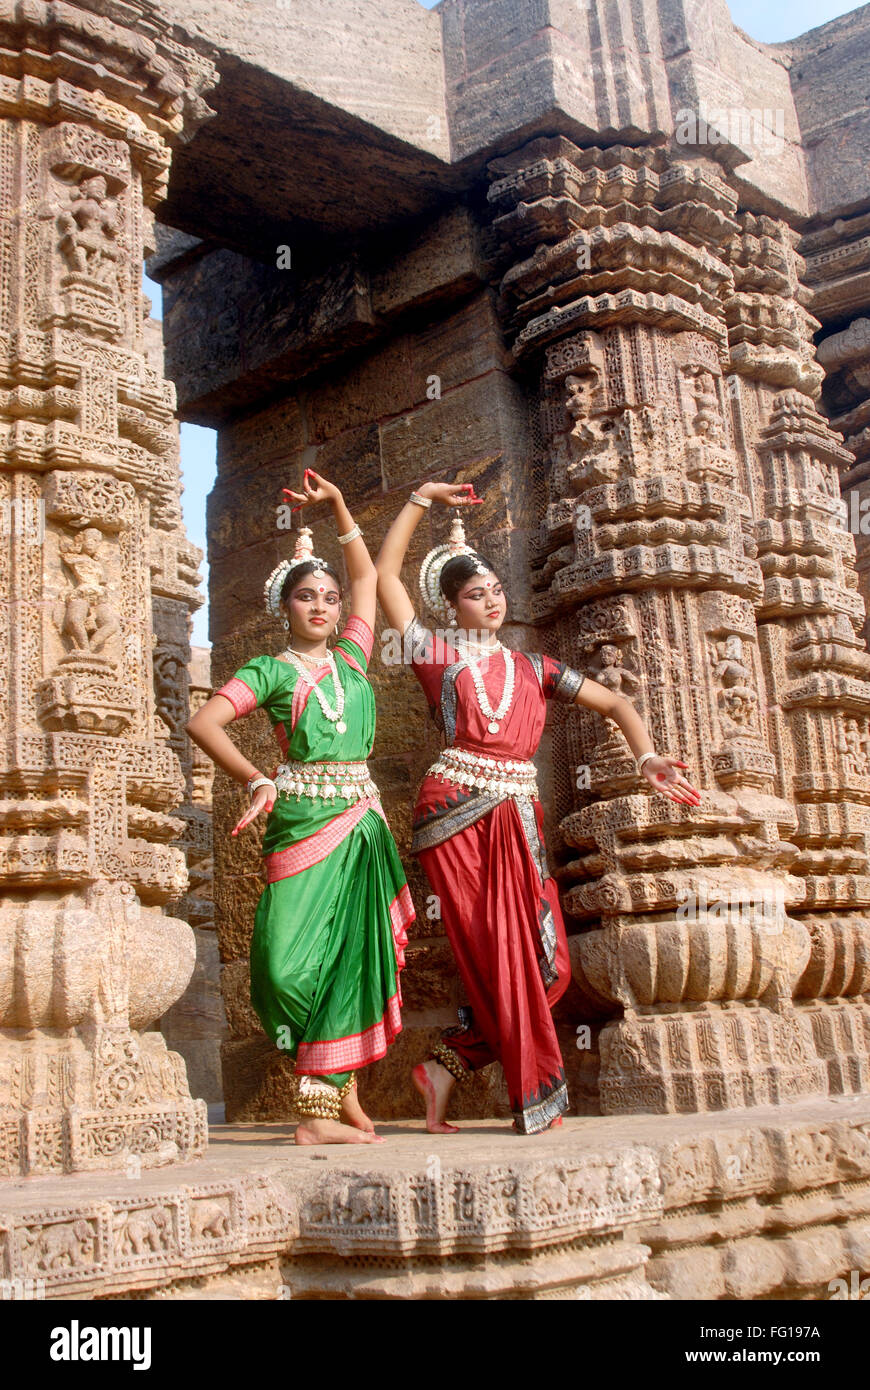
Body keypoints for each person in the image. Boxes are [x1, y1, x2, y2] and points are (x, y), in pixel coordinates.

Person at [375, 480, 701, 1135]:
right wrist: (417, 499)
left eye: (496, 590)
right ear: (452, 606)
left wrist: (647, 759)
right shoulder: (435, 658)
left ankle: (447, 1064)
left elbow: (616, 703)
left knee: (542, 963)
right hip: (455, 818)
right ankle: (534, 1094)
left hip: (518, 814)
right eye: (475, 594)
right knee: (501, 959)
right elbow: (384, 575)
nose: (491, 601)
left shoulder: (535, 668)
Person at [187, 469, 414, 1145]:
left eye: (328, 597)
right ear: (283, 606)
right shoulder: (271, 671)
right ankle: (329, 1090)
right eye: (306, 597)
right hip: (300, 821)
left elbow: (370, 582)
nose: (321, 606)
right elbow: (204, 723)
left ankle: (324, 1103)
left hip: (361, 826)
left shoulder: (352, 658)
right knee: (279, 967)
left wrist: (342, 506)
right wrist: (259, 779)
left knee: (352, 958)